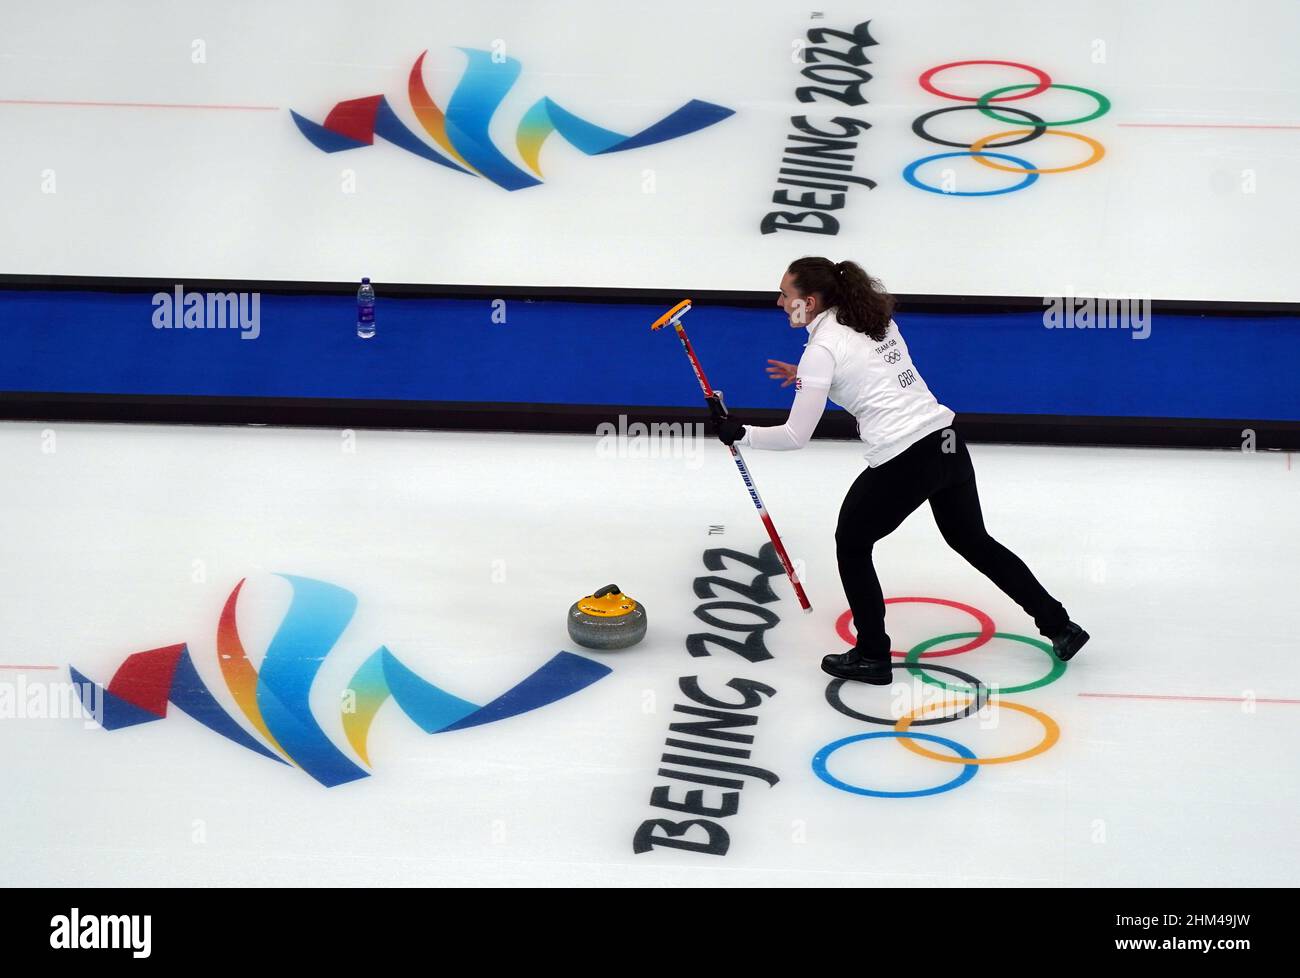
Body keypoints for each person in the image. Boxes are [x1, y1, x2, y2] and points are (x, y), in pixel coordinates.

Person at [710, 256, 1088, 684]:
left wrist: (740, 433)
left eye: (785, 295)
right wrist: (810, 378)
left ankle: (873, 655)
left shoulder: (821, 351)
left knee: (852, 544)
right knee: (973, 540)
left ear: (810, 302)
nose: (779, 302)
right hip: (947, 443)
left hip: (904, 458)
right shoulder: (874, 321)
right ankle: (1060, 626)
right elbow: (871, 373)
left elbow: (796, 436)